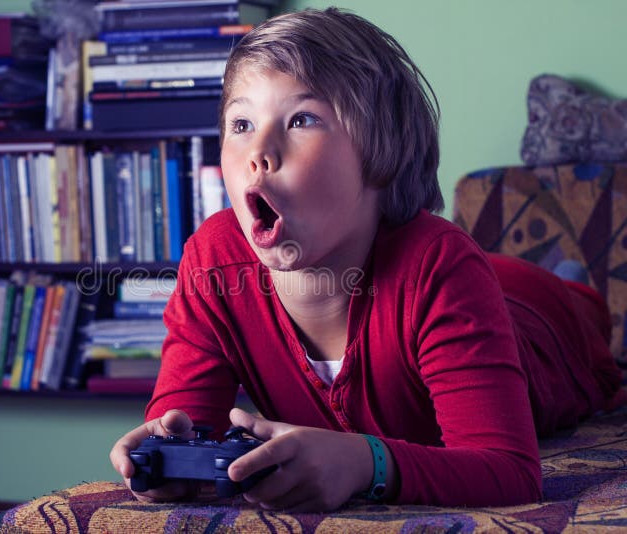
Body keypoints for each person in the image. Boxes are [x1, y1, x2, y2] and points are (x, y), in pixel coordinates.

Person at [110, 7, 625, 511]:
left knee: (574, 314)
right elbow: (181, 426)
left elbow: (510, 472)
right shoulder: (212, 262)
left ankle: (576, 290)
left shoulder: (440, 267)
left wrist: (366, 463)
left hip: (541, 318)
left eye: (302, 119)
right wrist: (161, 457)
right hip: (473, 289)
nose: (258, 152)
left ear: (383, 155)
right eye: (240, 122)